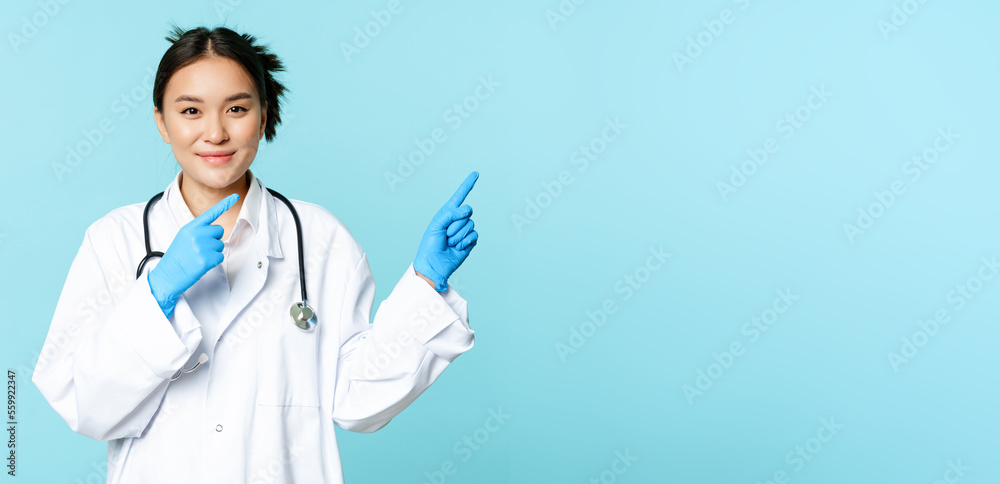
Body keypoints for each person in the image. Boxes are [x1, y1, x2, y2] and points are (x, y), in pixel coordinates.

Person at [31, 25, 480, 483]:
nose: (215, 132)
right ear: (161, 123)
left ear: (264, 117)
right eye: (190, 110)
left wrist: (427, 283)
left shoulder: (320, 239)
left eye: (237, 109)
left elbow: (357, 401)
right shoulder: (115, 240)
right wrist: (157, 295)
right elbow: (85, 406)